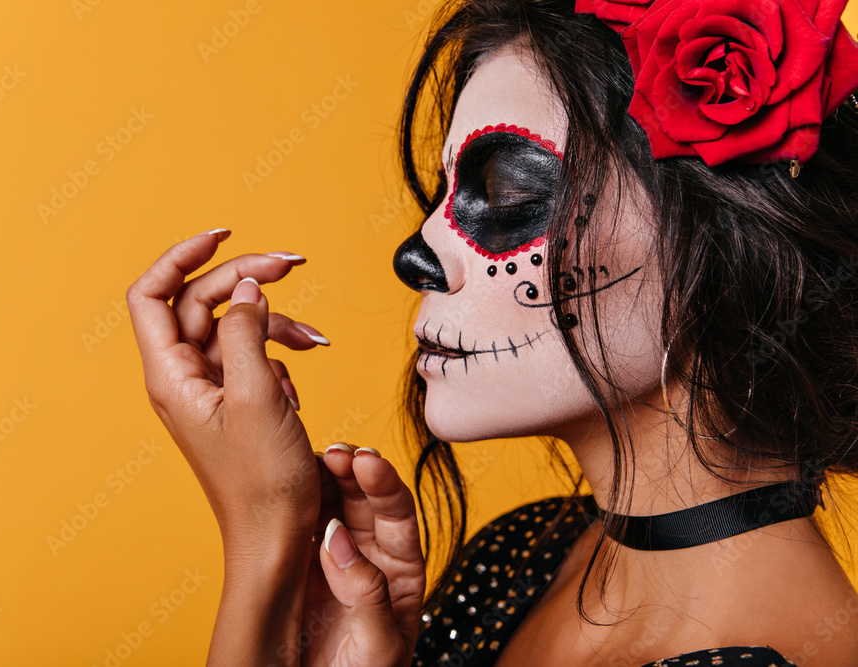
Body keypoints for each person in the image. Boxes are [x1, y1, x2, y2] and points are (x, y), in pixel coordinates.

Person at [126, 0, 858, 664]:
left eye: (509, 193)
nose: (416, 253)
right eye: (443, 192)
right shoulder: (524, 556)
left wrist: (265, 537)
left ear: (726, 244)